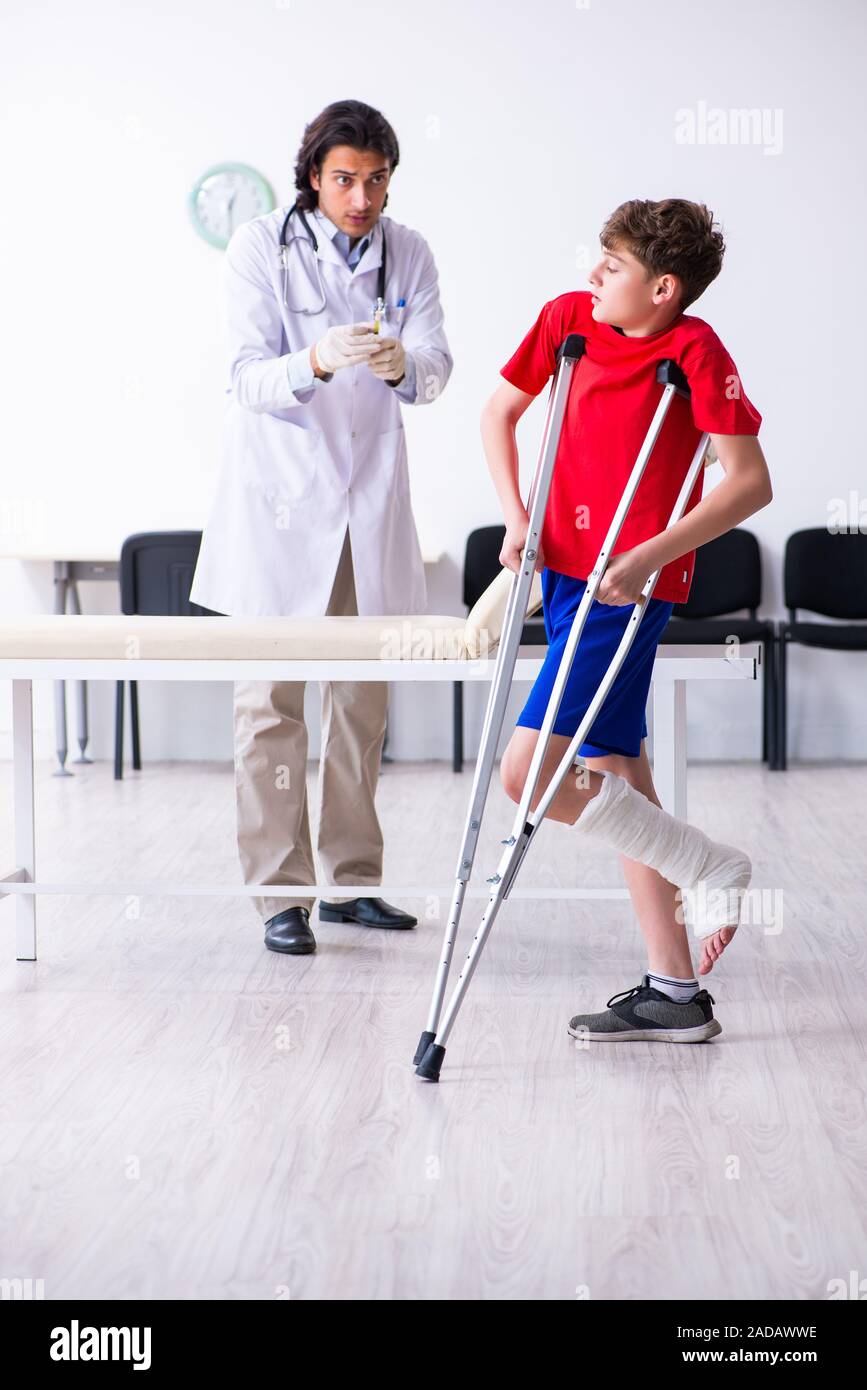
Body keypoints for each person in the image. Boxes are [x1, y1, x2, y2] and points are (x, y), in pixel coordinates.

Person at [480, 197, 771, 1043]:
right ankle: (673, 993)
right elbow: (498, 411)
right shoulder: (567, 321)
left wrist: (649, 556)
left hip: (625, 587)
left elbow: (748, 481)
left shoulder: (695, 350)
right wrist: (516, 516)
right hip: (564, 572)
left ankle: (709, 863)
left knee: (526, 776)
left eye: (611, 267)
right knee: (615, 773)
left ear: (664, 288)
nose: (590, 275)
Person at [190, 100, 453, 956]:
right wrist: (315, 359)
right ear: (313, 175)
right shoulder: (259, 247)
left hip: (366, 506)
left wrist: (401, 363)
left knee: (361, 701)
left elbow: (437, 366)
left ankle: (351, 882)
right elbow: (242, 377)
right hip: (277, 509)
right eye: (345, 178)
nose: (362, 196)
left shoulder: (407, 250)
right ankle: (279, 893)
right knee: (270, 706)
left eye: (376, 180)